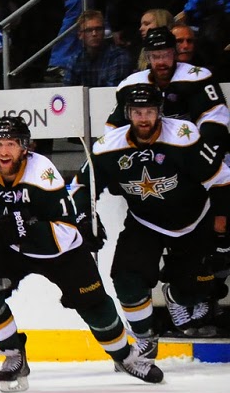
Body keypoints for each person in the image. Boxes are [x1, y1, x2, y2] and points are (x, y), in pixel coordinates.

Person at [0, 115, 162, 390]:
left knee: (94, 304)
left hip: (56, 249)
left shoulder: (42, 175)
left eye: (11, 144)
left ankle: (124, 357)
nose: (3, 151)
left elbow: (68, 232)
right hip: (5, 245)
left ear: (25, 148)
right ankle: (13, 355)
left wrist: (20, 226)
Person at [80, 82, 230, 343]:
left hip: (193, 220)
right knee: (126, 280)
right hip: (145, 222)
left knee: (196, 290)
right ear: (127, 113)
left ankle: (176, 295)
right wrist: (84, 219)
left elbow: (221, 178)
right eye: (137, 112)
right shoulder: (107, 147)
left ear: (159, 111)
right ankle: (144, 336)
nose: (144, 118)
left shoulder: (184, 136)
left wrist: (221, 220)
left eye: (149, 111)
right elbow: (84, 186)